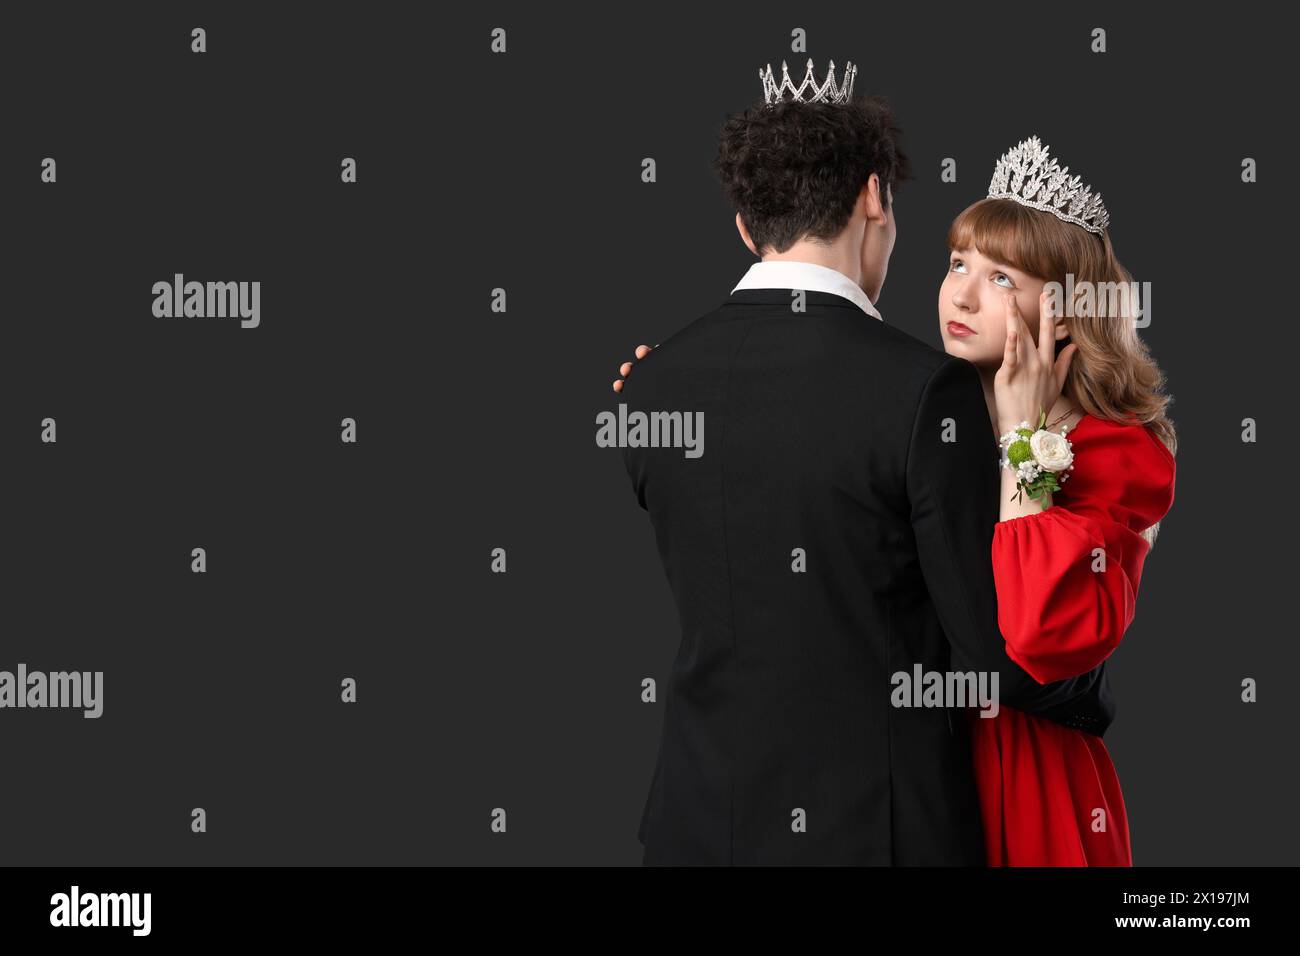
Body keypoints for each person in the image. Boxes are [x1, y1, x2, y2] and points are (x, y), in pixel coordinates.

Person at [615, 132, 1176, 865]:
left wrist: (1025, 444)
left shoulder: (1112, 452)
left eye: (1002, 277)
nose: (963, 293)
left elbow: (1037, 639)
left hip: (1018, 776)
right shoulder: (923, 401)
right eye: (957, 264)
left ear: (1067, 312)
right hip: (904, 782)